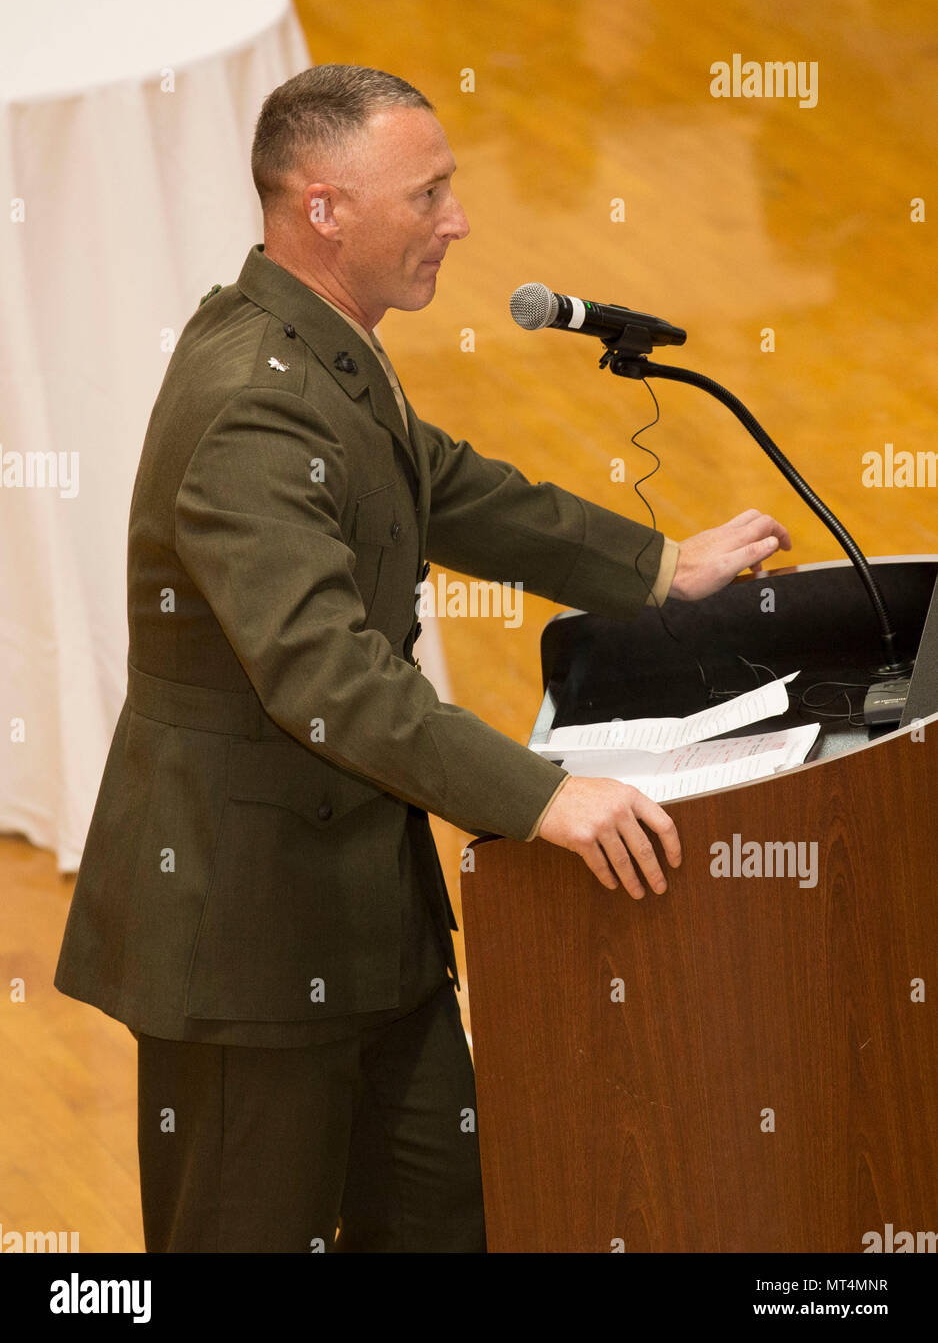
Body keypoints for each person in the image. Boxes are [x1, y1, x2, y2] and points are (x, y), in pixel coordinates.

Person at [53, 64, 791, 1252]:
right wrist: (542, 798)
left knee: (443, 1219)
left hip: (364, 916)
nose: (457, 220)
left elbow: (441, 483)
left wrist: (659, 568)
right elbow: (328, 678)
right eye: (429, 193)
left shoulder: (321, 337)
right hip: (246, 945)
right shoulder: (251, 402)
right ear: (323, 208)